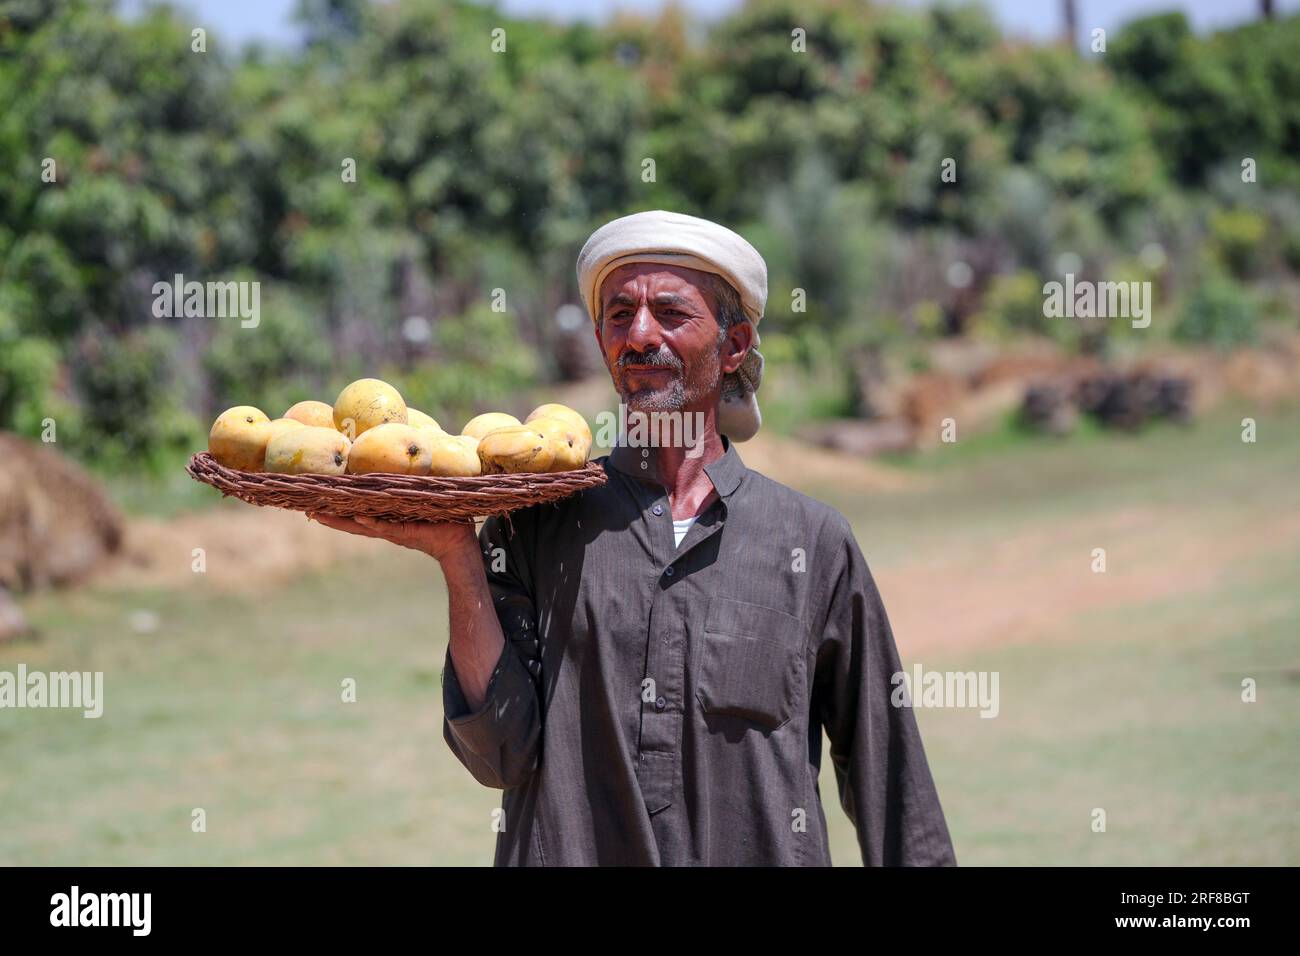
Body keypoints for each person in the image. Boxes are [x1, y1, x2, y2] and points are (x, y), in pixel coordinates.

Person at [312, 209, 956, 866]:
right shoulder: (533, 519)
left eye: (670, 314)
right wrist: (458, 557)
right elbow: (497, 753)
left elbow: (893, 784)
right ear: (600, 340)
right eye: (620, 316)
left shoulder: (812, 543)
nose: (640, 335)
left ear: (734, 345)